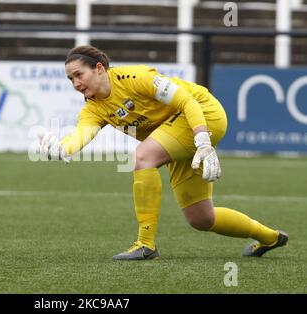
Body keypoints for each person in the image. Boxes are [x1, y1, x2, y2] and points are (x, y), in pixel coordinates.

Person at [38, 45, 288, 260]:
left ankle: (145, 244)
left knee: (143, 157)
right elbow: (82, 135)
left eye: (78, 75)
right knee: (201, 219)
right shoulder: (93, 109)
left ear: (100, 68)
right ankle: (270, 237)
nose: (75, 84)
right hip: (173, 133)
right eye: (70, 79)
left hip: (203, 114)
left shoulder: (135, 77)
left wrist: (202, 139)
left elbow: (187, 101)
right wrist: (62, 149)